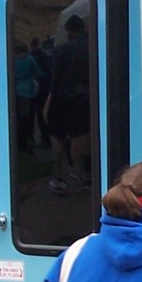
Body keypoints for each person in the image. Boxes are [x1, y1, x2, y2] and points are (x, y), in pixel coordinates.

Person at [44, 15, 92, 195]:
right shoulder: (92, 47)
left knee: (58, 139)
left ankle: (59, 178)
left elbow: (54, 77)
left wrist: (50, 100)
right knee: (79, 140)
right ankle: (81, 179)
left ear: (69, 30)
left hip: (62, 98)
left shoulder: (62, 50)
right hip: (84, 99)